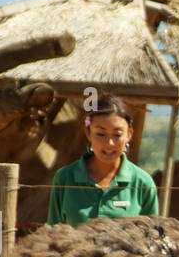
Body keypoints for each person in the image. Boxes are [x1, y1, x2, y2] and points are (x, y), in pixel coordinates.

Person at [46, 93, 159, 226]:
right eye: (100, 134)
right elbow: (52, 233)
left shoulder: (142, 182)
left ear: (129, 134)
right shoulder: (65, 178)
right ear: (88, 133)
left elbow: (153, 237)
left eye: (117, 134)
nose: (109, 143)